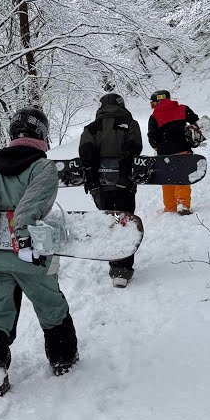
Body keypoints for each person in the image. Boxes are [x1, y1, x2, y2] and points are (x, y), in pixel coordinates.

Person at [0, 106, 78, 400]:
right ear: (41, 134)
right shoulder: (43, 168)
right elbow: (32, 205)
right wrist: (25, 236)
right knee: (51, 307)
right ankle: (63, 360)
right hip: (32, 257)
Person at [78, 93, 143, 288]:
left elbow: (86, 155)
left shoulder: (91, 128)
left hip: (100, 185)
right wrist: (123, 174)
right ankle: (122, 269)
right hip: (125, 183)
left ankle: (114, 261)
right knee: (125, 220)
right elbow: (134, 150)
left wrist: (92, 179)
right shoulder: (130, 124)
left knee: (108, 221)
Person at [147, 89, 200, 215]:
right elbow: (197, 124)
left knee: (167, 179)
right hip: (183, 150)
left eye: (153, 103)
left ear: (158, 101)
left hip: (164, 154)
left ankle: (170, 208)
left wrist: (157, 147)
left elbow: (152, 137)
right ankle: (183, 205)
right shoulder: (183, 109)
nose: (152, 106)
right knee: (182, 177)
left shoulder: (154, 117)